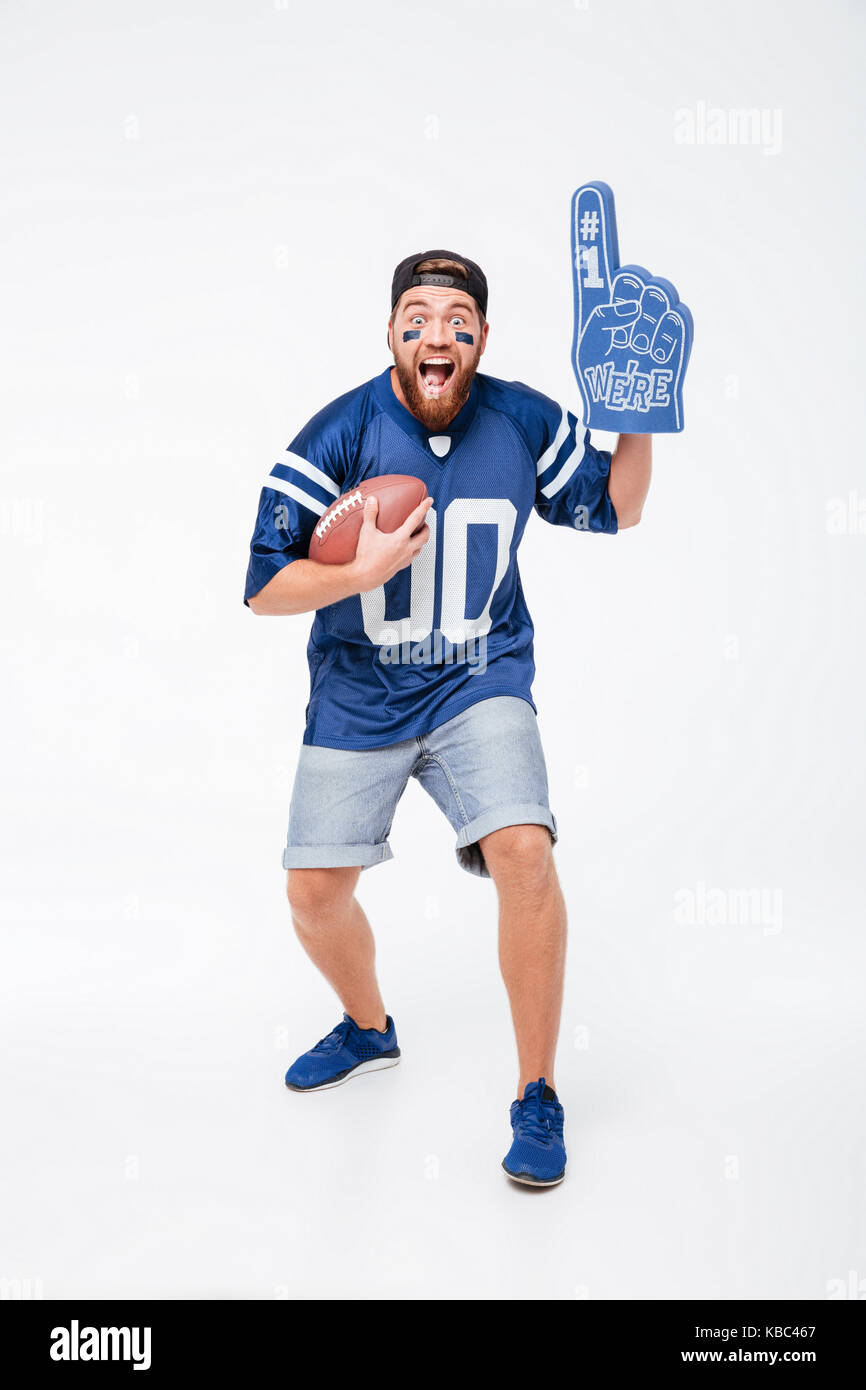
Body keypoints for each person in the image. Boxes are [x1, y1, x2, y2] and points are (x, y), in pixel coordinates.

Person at [244, 250, 651, 1185]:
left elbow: (620, 507)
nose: (439, 333)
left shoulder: (520, 416)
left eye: (459, 319)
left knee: (526, 853)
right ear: (390, 332)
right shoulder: (339, 431)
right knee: (312, 896)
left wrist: (640, 417)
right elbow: (264, 587)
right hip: (361, 689)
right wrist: (357, 573)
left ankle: (537, 1092)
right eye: (419, 316)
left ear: (482, 339)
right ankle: (368, 1025)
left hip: (479, 677)